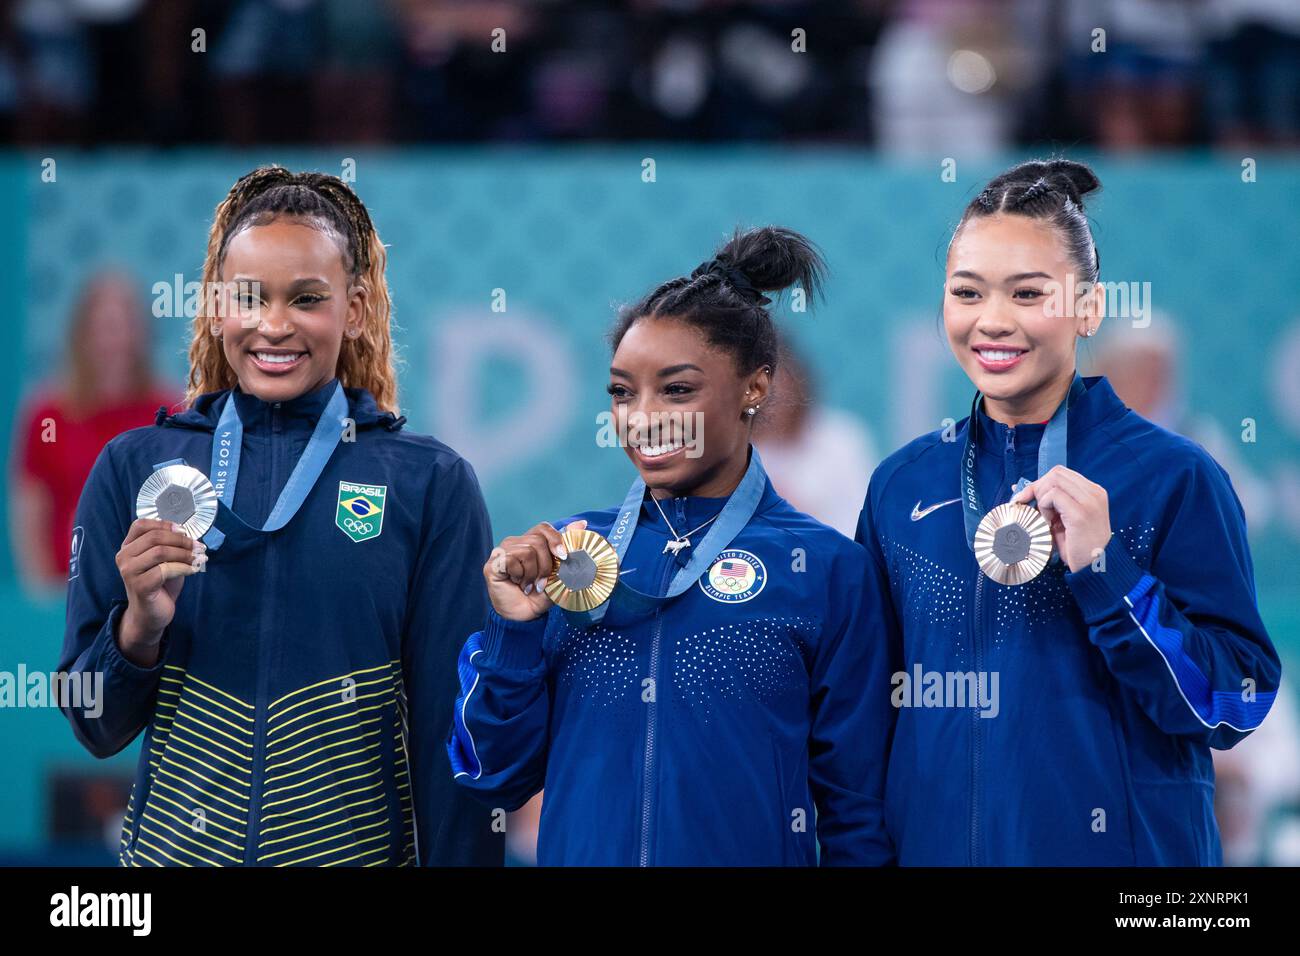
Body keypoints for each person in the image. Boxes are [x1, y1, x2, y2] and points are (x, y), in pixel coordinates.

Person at [58, 166, 502, 867]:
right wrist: (138, 628)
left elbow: (455, 734)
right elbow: (93, 725)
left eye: (306, 299)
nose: (273, 324)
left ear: (353, 310)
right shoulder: (133, 466)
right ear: (213, 306)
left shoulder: (430, 483)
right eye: (248, 297)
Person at [858, 158, 1281, 865]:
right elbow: (863, 711)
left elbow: (1236, 701)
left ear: (1089, 307)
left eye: (1027, 293)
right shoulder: (902, 485)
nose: (992, 321)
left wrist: (1109, 572)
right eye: (967, 293)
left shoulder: (1172, 476)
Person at [447, 227, 896, 866]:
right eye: (623, 392)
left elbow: (857, 811)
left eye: (677, 389)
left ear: (754, 387)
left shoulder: (828, 570)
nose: (643, 416)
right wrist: (513, 635)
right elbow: (493, 776)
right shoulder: (570, 555)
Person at [12, 270, 177, 592]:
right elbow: (30, 515)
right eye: (102, 327)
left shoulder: (170, 412)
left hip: (147, 593)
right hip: (64, 594)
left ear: (143, 335)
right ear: (81, 335)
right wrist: (44, 595)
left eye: (124, 327)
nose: (114, 340)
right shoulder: (48, 418)